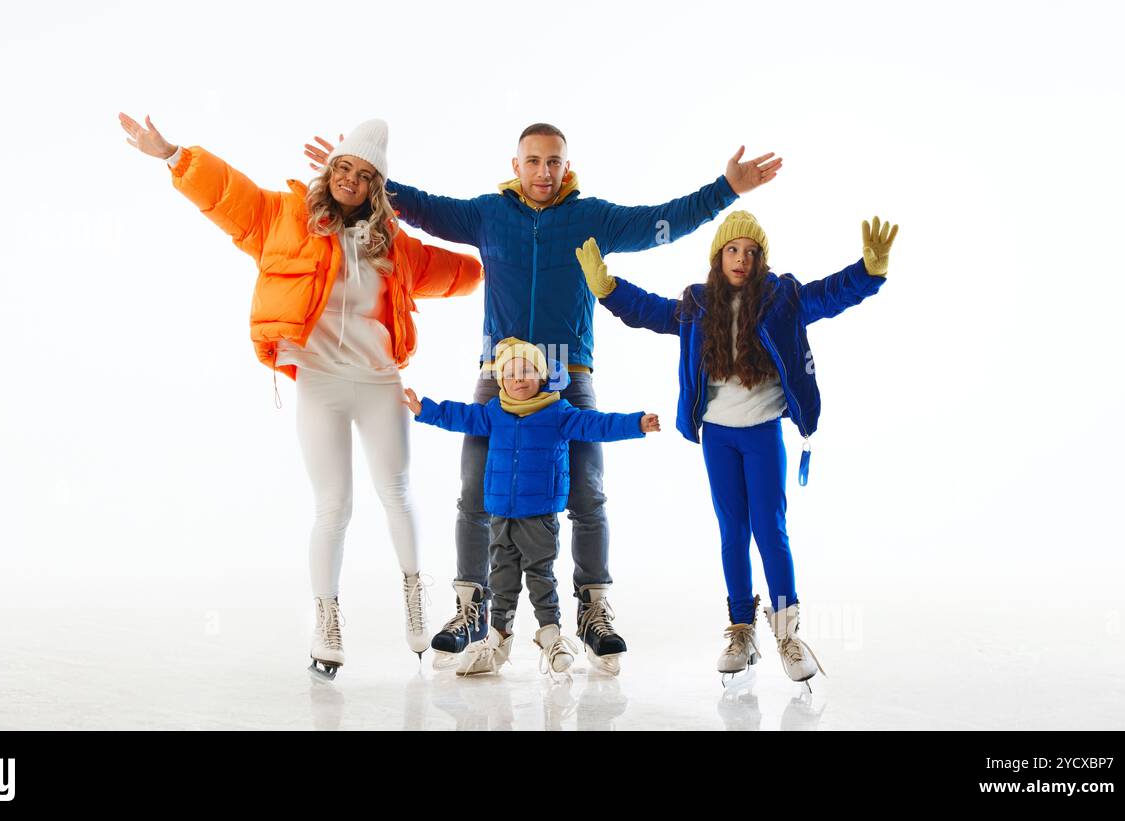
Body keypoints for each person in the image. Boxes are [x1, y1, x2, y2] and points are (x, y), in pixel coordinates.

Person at [306, 124, 780, 672]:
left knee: (588, 497)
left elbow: (661, 223)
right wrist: (366, 173)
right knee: (475, 494)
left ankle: (593, 610)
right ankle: (471, 610)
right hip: (498, 376)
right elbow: (420, 208)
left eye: (553, 162)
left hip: (567, 373)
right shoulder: (488, 213)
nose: (542, 172)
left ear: (566, 165)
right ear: (516, 164)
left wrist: (726, 189)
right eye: (532, 161)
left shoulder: (590, 217)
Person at [117, 114, 483, 680]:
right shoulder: (283, 219)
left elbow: (465, 273)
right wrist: (173, 156)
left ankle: (414, 598)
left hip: (379, 382)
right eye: (343, 167)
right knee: (333, 506)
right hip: (320, 382)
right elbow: (228, 196)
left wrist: (505, 255)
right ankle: (327, 625)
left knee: (397, 492)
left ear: (376, 188)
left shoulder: (396, 248)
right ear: (330, 170)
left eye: (363, 174)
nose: (349, 179)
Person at [576, 210, 898, 685]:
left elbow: (828, 295)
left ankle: (787, 634)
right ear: (717, 257)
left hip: (763, 432)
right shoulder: (696, 304)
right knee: (733, 532)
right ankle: (742, 630)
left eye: (751, 252)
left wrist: (869, 271)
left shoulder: (781, 298)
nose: (741, 259)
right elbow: (649, 310)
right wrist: (608, 288)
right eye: (732, 250)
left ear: (761, 260)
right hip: (718, 436)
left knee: (770, 529)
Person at [403, 338, 657, 677]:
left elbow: (598, 425)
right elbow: (461, 416)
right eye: (509, 373)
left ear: (542, 375)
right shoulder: (495, 412)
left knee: (540, 577)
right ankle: (498, 635)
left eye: (526, 370)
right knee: (502, 579)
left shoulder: (558, 413)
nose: (517, 379)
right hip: (501, 516)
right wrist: (426, 410)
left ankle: (551, 635)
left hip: (539, 517)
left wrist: (637, 423)